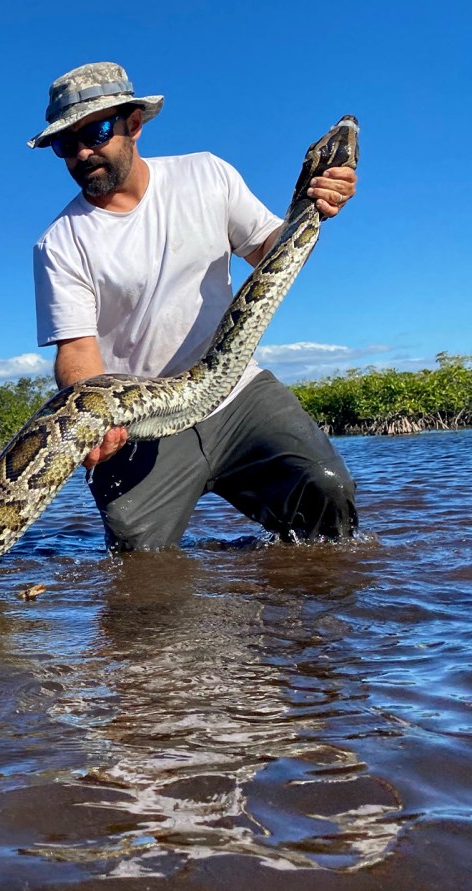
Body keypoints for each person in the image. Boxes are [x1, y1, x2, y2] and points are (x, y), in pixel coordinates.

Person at [28, 62, 358, 551]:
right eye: (64, 144)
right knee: (138, 562)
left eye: (95, 132)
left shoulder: (206, 173)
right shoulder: (58, 243)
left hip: (236, 393)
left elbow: (271, 252)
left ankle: (306, 620)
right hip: (138, 420)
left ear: (133, 124)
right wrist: (97, 417)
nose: (81, 152)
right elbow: (77, 351)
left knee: (327, 493)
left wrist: (316, 207)